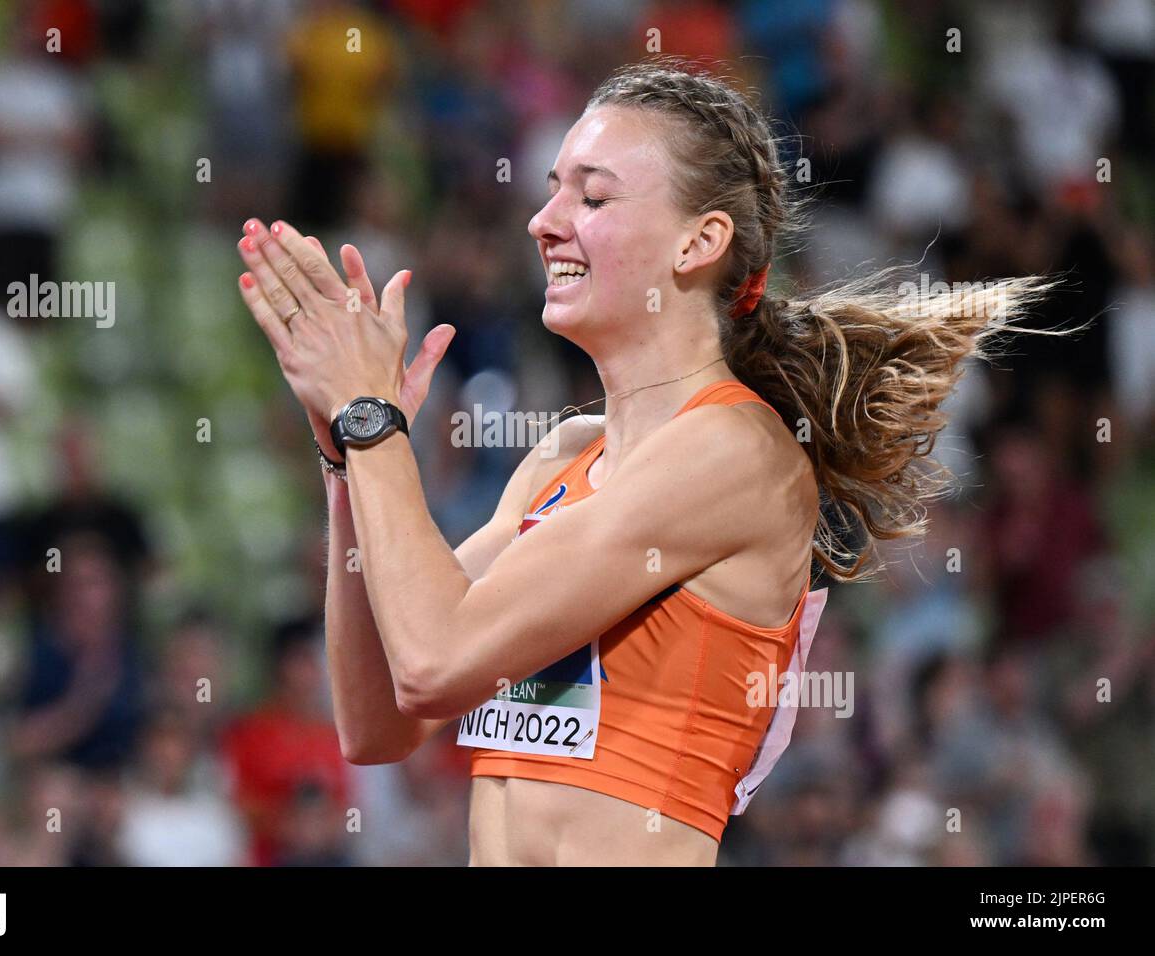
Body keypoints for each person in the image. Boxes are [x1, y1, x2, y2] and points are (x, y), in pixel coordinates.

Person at [234, 58, 1055, 866]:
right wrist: (346, 460)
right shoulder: (562, 456)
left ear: (699, 242)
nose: (544, 220)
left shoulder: (734, 454)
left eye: (591, 196)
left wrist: (373, 422)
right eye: (553, 187)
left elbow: (433, 661)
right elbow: (380, 722)